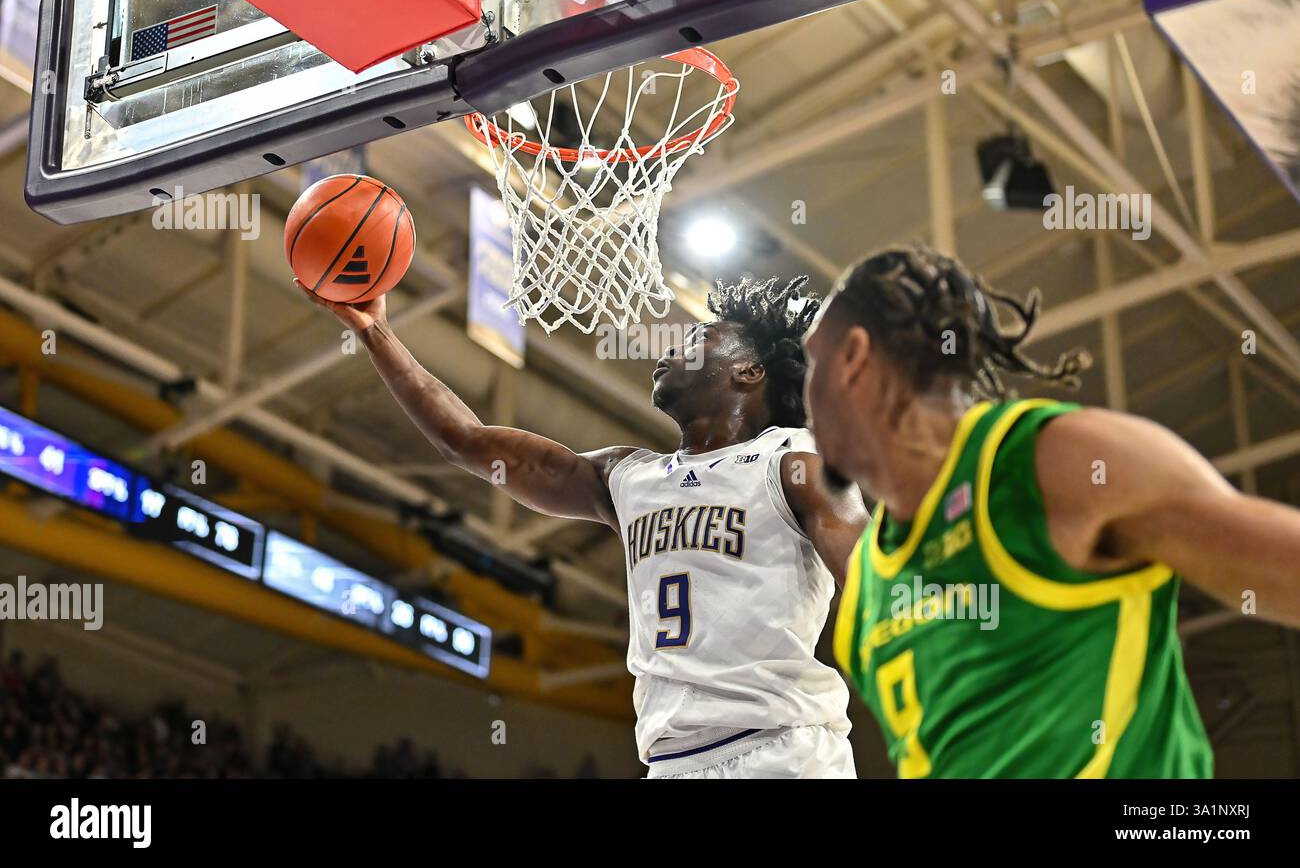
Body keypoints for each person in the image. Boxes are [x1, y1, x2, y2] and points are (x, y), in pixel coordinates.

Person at [297, 275, 865, 778]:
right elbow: (465, 442)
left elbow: (874, 573)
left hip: (783, 751)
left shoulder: (794, 461)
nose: (673, 350)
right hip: (673, 763)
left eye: (700, 340)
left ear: (749, 370)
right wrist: (376, 332)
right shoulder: (626, 477)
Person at [800, 244, 1300, 778]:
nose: (804, 396)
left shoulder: (1055, 464)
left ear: (853, 357)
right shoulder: (867, 591)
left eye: (811, 363)